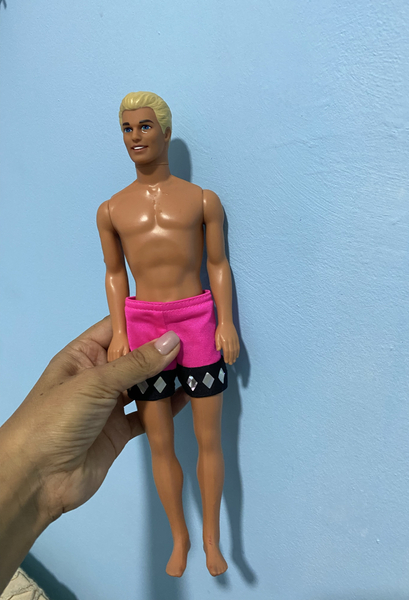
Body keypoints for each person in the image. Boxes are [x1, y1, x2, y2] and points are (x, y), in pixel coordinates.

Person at [96, 91, 240, 577]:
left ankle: (212, 539)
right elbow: (114, 274)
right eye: (127, 128)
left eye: (144, 126)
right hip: (142, 326)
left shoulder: (201, 200)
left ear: (165, 131)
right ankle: (180, 537)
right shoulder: (112, 210)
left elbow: (218, 264)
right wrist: (119, 331)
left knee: (209, 439)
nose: (135, 137)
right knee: (159, 442)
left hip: (197, 320)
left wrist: (225, 320)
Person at [0, 317, 186, 595]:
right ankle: (183, 538)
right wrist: (121, 334)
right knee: (163, 449)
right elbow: (117, 292)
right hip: (154, 346)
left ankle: (204, 540)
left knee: (199, 443)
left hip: (191, 335)